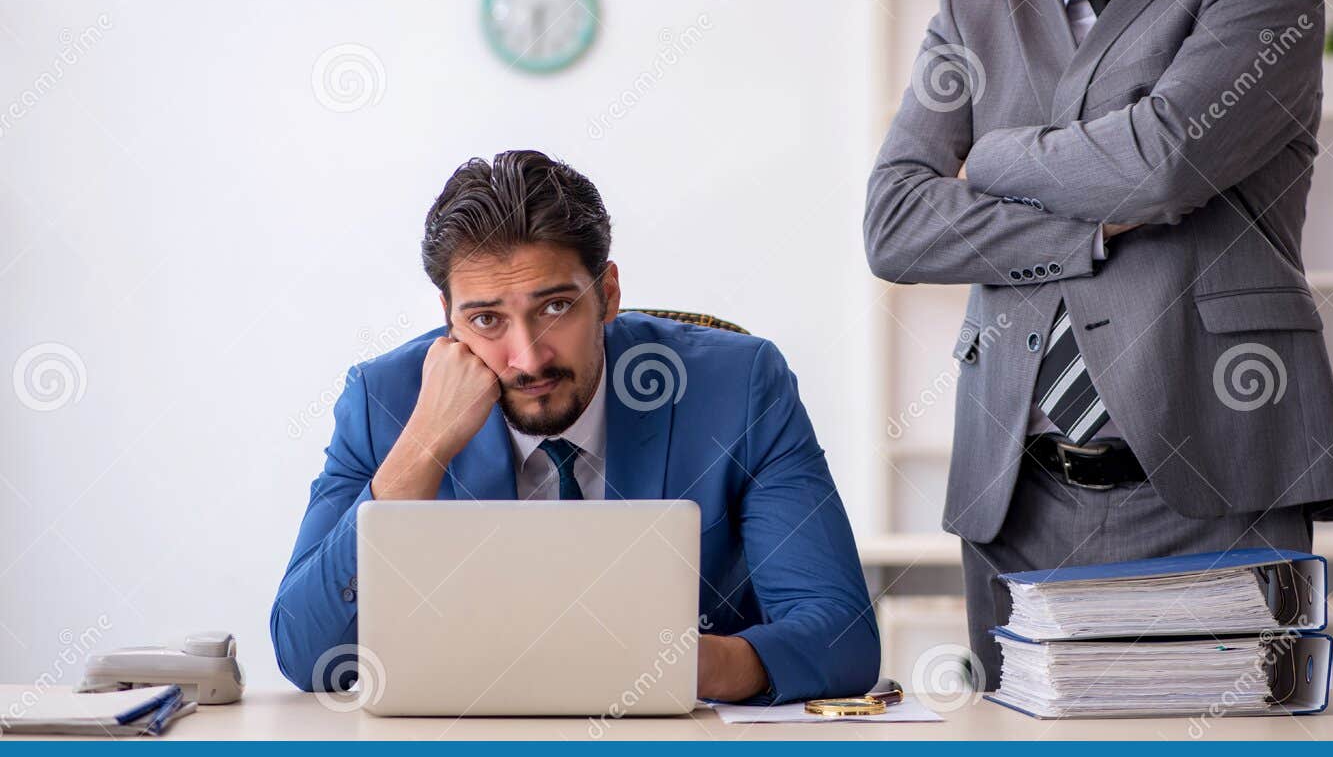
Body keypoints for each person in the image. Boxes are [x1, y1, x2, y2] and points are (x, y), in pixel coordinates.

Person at [863, 0, 1333, 687]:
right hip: (1017, 487)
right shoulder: (971, 13)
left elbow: (1163, 158)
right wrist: (1085, 225)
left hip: (1215, 470)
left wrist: (993, 159)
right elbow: (895, 223)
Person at [273, 149, 879, 703]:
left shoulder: (740, 387)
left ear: (608, 294)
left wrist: (671, 665)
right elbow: (306, 655)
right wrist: (421, 453)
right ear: (447, 318)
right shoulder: (383, 401)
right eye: (485, 320)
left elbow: (842, 638)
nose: (527, 357)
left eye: (555, 307)